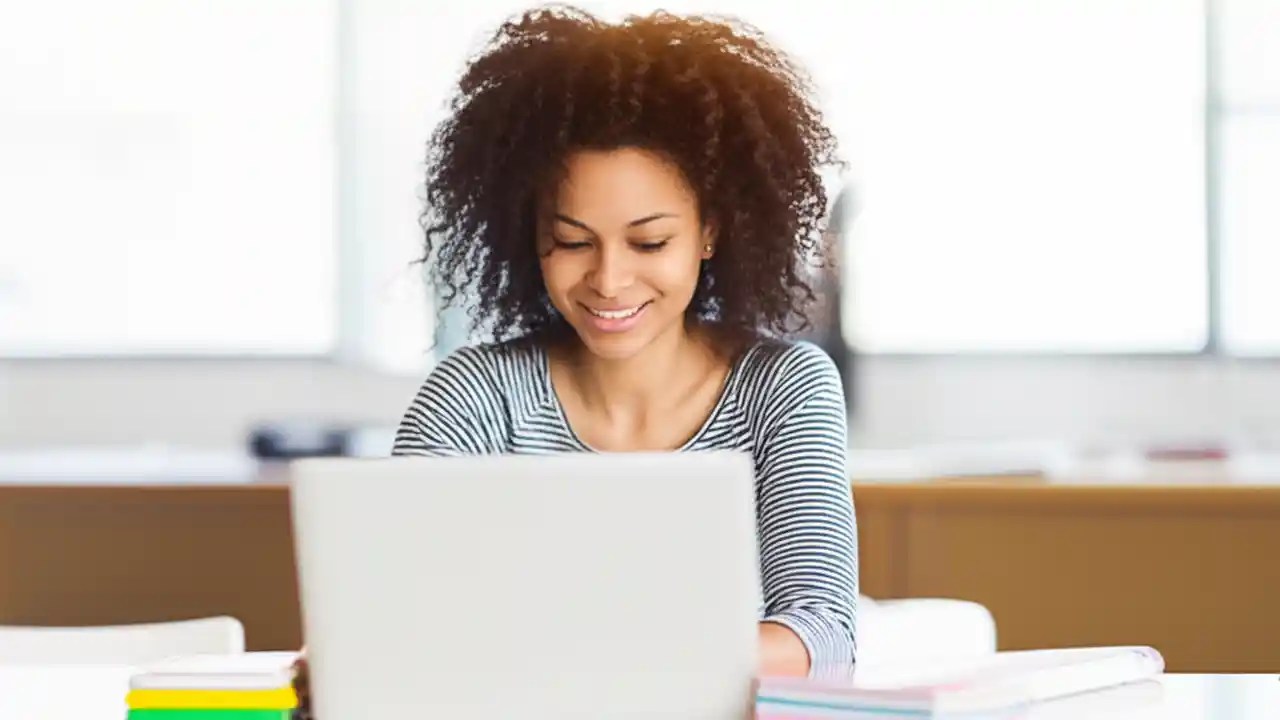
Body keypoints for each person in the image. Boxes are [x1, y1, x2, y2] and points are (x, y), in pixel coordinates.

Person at [293, 5, 857, 712]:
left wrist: (577, 656)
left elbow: (823, 637)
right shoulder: (477, 396)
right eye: (571, 240)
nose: (609, 281)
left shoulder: (783, 387)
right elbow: (395, 622)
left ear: (711, 230)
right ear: (529, 235)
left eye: (649, 243)